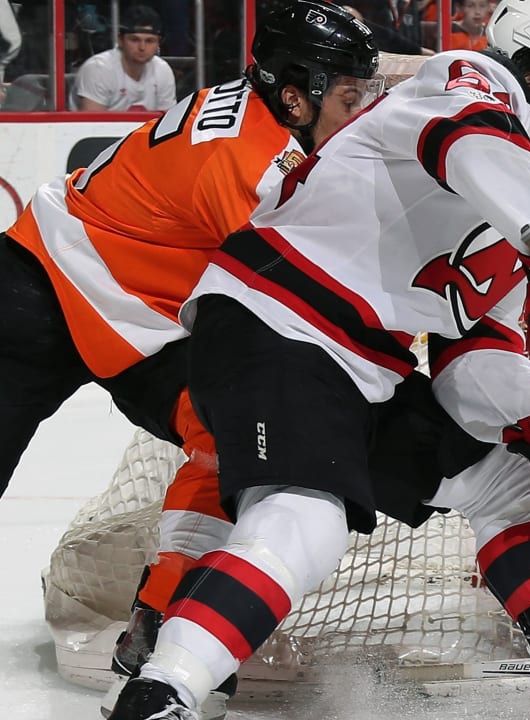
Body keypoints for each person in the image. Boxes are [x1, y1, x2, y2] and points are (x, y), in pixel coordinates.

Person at [105, 1, 530, 718]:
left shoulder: (522, 195)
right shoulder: (467, 78)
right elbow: (473, 142)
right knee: (305, 517)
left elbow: (475, 355)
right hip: (275, 324)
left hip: (357, 369)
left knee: (510, 484)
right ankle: (161, 691)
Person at [0, 3, 380, 717]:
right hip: (41, 286)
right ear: (295, 90)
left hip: (143, 321)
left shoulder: (269, 115)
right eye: (348, 94)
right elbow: (296, 300)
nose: (358, 111)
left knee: (234, 432)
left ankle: (158, 620)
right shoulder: (249, 164)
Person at [72, 4, 176, 111]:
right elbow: (92, 124)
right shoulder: (98, 69)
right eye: (134, 40)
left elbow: (168, 122)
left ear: (158, 43)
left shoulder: (162, 69)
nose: (142, 47)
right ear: (120, 40)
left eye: (150, 41)